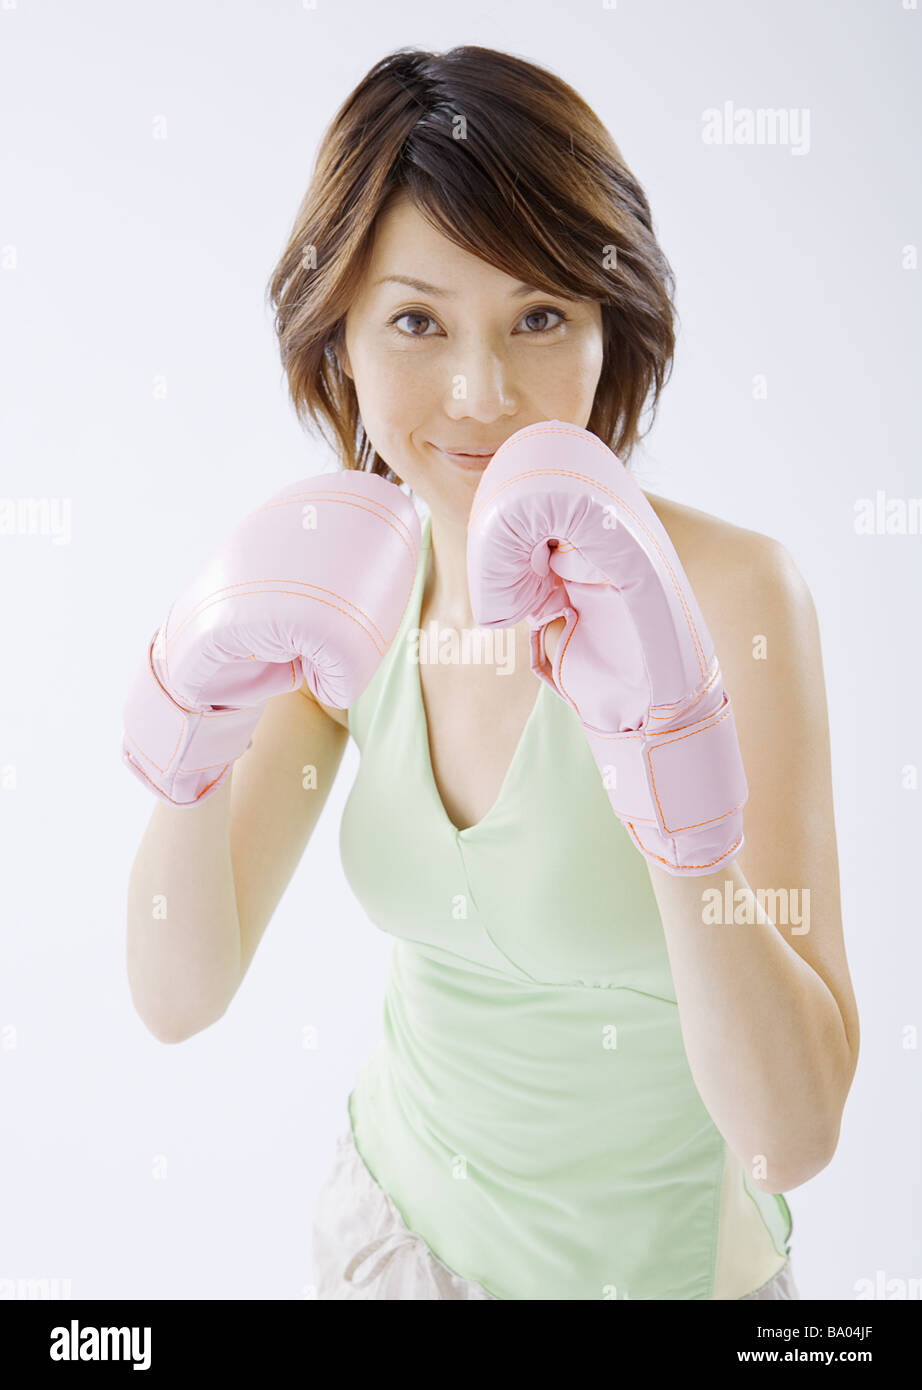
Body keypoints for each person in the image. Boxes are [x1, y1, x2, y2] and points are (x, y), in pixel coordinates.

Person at [125, 45, 860, 1300]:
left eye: (538, 316)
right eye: (416, 319)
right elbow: (180, 994)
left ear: (606, 329)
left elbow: (788, 1136)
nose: (480, 393)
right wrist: (187, 729)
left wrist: (675, 793)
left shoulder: (734, 595)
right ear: (340, 338)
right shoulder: (345, 590)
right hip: (391, 1243)